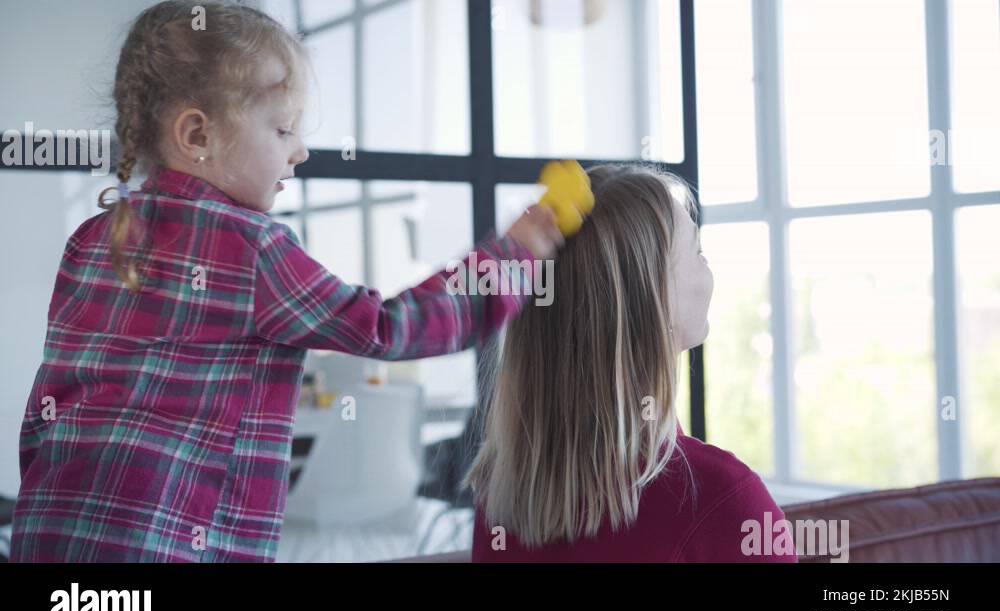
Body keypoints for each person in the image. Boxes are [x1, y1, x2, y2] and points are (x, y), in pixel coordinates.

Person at [10, 1, 561, 563]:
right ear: (197, 134)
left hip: (52, 534)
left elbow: (46, 403)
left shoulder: (91, 239)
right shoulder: (250, 246)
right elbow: (387, 329)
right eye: (282, 129)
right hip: (168, 544)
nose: (300, 150)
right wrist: (512, 258)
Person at [466, 164, 798, 562]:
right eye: (697, 252)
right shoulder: (723, 500)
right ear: (653, 300)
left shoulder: (501, 495)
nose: (708, 267)